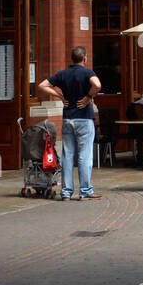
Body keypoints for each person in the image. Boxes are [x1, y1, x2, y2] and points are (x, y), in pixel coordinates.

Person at [37, 45, 102, 201]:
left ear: (71, 59)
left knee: (67, 155)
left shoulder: (63, 74)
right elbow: (97, 85)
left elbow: (42, 85)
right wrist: (88, 97)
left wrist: (59, 96)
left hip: (67, 119)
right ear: (84, 58)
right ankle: (85, 191)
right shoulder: (88, 73)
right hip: (84, 119)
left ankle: (66, 192)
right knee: (84, 156)